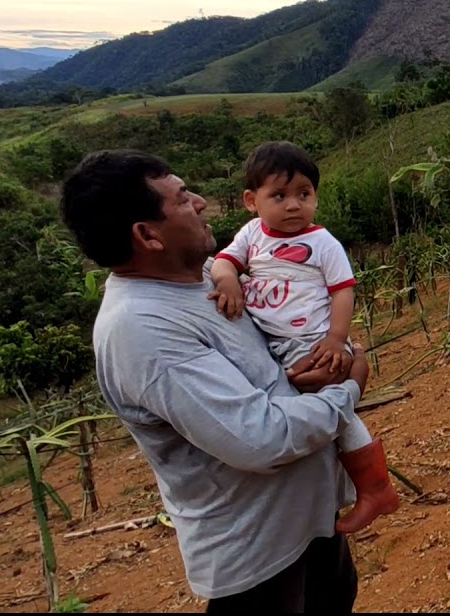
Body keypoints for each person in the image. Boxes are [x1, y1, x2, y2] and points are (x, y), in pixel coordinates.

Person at [60, 149, 369, 613]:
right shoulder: (143, 328)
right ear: (147, 235)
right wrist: (349, 388)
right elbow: (260, 440)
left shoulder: (208, 277)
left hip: (307, 524)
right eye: (183, 199)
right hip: (257, 556)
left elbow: (277, 353)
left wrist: (324, 359)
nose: (202, 202)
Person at [208, 141, 399, 535]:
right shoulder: (250, 235)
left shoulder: (323, 243)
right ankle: (337, 495)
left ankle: (375, 487)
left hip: (314, 339)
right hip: (273, 345)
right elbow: (225, 260)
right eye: (279, 195)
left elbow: (342, 291)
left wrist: (336, 338)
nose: (293, 205)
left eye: (304, 194)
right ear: (251, 200)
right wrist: (227, 281)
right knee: (306, 416)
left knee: (328, 407)